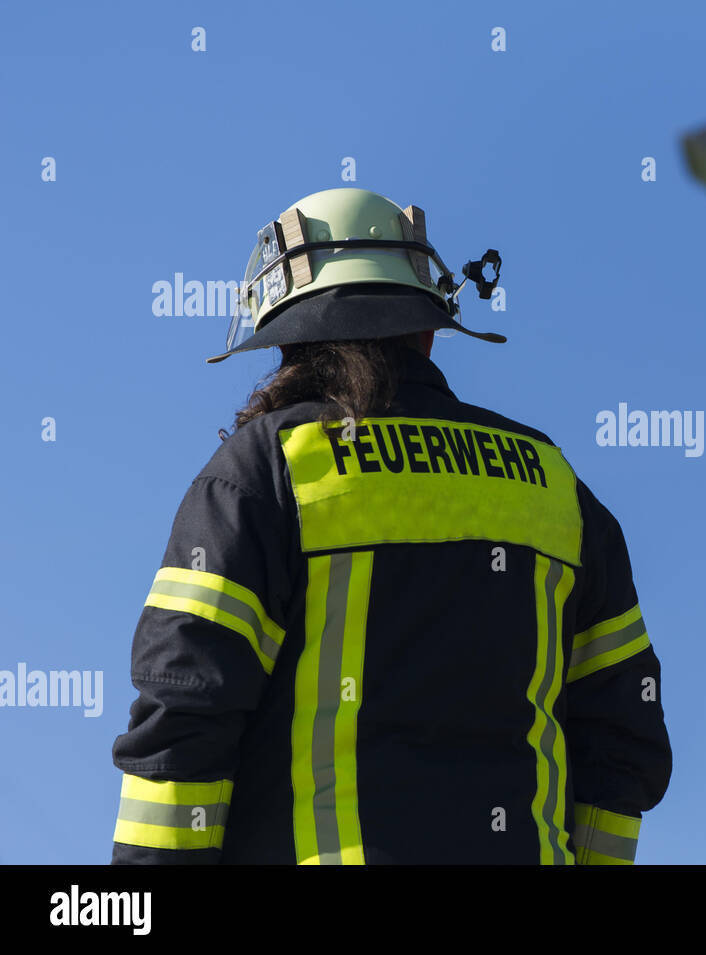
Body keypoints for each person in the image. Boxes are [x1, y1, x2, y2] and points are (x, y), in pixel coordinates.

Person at [110, 187, 671, 864]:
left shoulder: (264, 471)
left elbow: (183, 714)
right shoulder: (556, 486)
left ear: (288, 338)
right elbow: (625, 736)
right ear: (428, 330)